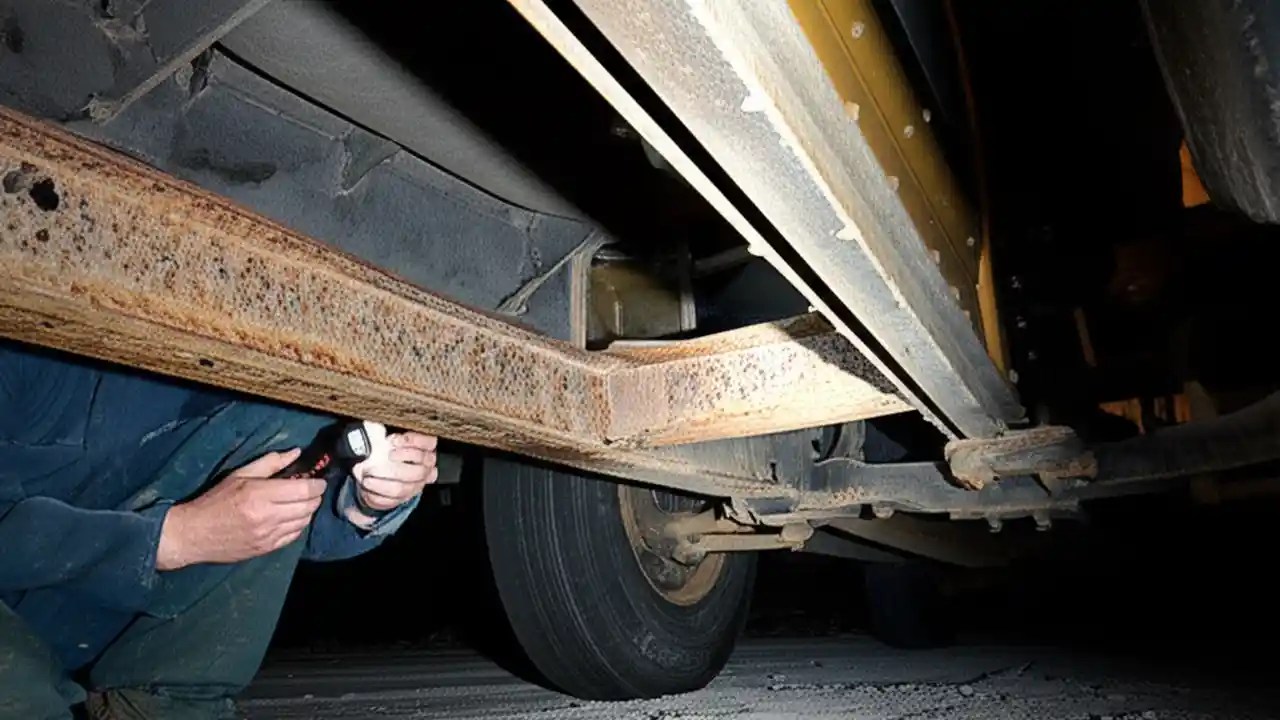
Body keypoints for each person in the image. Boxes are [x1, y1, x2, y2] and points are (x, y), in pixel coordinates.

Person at [0, 341, 438, 719]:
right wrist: (175, 538)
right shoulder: (32, 331)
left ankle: (169, 705)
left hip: (107, 639)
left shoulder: (272, 372)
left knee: (288, 427)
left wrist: (364, 501)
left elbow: (295, 521)